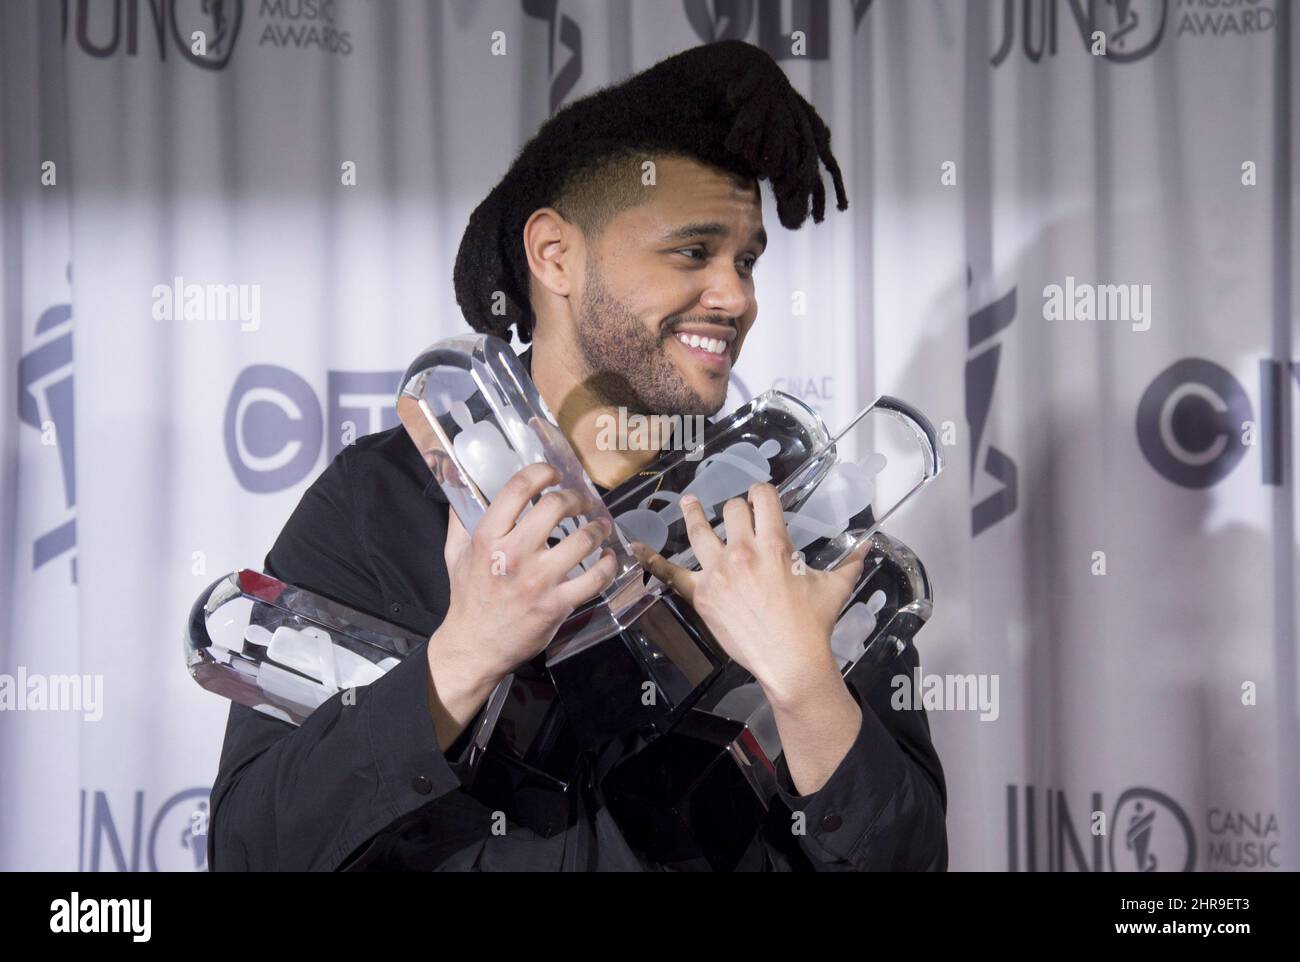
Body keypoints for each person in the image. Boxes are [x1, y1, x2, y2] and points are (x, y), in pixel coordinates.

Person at [208, 39, 947, 872]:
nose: (737, 297)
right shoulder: (380, 501)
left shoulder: (790, 521)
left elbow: (909, 859)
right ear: (555, 255)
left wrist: (805, 682)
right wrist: (466, 653)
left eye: (746, 261)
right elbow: (250, 852)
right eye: (693, 252)